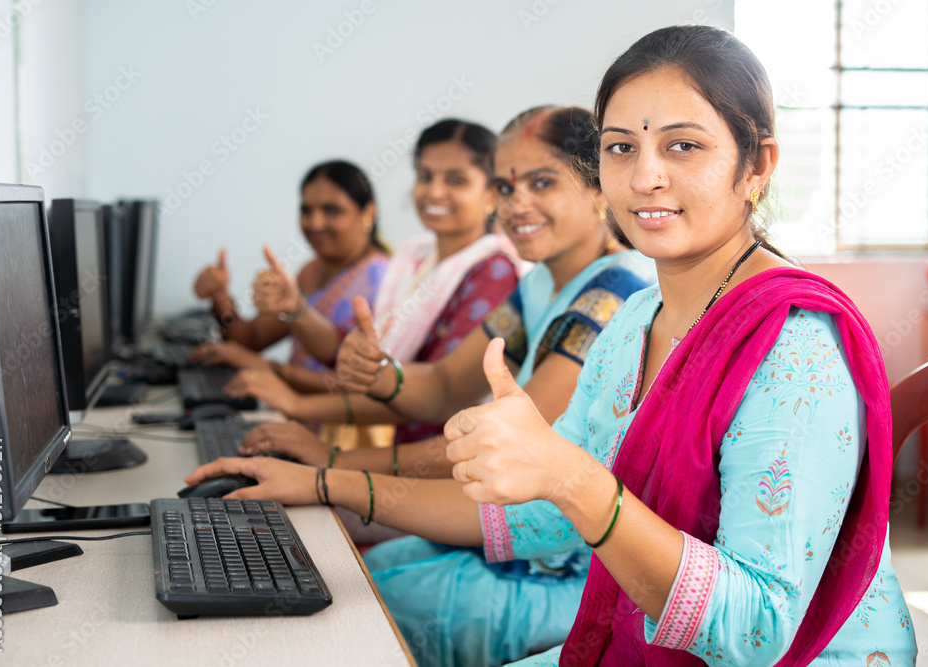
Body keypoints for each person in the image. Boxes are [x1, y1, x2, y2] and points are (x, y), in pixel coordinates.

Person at [438, 26, 917, 666]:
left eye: (683, 146)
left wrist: (572, 477)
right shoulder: (635, 320)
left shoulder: (796, 345)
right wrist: (337, 489)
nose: (645, 177)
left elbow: (760, 630)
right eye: (620, 148)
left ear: (758, 166)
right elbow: (547, 515)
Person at [185, 105, 656, 667]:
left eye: (542, 182)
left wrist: (329, 468)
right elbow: (443, 386)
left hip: (567, 571)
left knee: (338, 606)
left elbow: (517, 462)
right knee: (336, 575)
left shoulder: (611, 296)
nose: (515, 204)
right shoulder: (536, 291)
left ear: (600, 187)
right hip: (505, 533)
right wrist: (383, 376)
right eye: (506, 187)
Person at [227, 119, 522, 445]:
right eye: (425, 176)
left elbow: (435, 391)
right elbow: (355, 354)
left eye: (455, 179)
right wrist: (296, 307)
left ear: (492, 194)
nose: (434, 191)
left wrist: (296, 401)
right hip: (402, 451)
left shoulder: (493, 272)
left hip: (445, 465)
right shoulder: (418, 259)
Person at [189, 160, 390, 396]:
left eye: (331, 210)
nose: (315, 223)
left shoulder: (384, 279)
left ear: (368, 213)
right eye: (306, 210)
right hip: (294, 415)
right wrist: (221, 298)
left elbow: (356, 386)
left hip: (337, 427)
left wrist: (264, 368)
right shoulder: (312, 270)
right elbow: (250, 340)